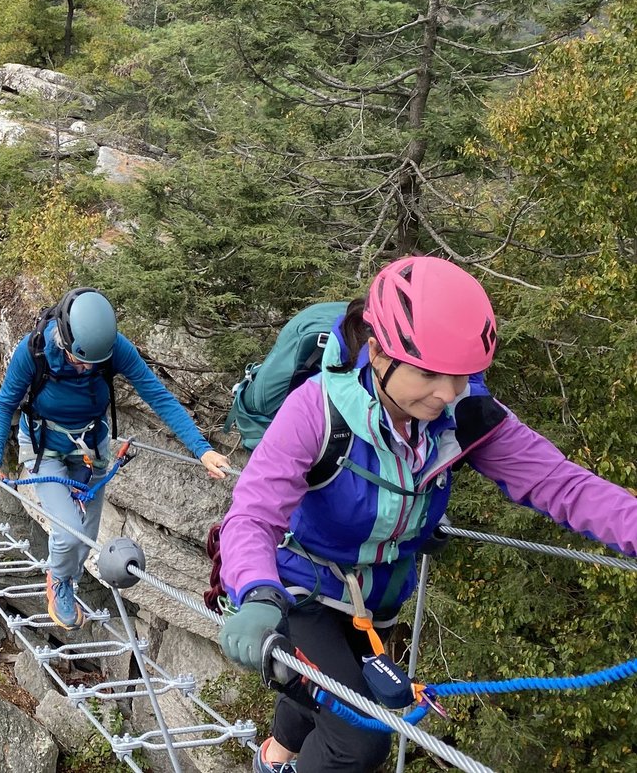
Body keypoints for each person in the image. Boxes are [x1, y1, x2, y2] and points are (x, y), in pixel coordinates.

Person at [217, 255, 637, 773]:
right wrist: (257, 592)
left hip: (377, 601)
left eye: (461, 376)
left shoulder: (464, 414)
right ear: (377, 353)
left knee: (342, 689)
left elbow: (560, 484)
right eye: (430, 374)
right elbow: (253, 516)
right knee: (359, 738)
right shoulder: (316, 410)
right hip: (299, 590)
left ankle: (271, 759)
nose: (446, 392)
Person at [0, 288, 230, 630]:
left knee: (86, 533)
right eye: (78, 360)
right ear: (64, 340)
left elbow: (156, 395)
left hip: (91, 448)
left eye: (93, 363)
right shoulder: (34, 350)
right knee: (69, 534)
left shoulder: (113, 349)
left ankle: (69, 576)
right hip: (44, 447)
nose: (85, 368)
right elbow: (5, 403)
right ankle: (59, 580)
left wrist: (202, 449)